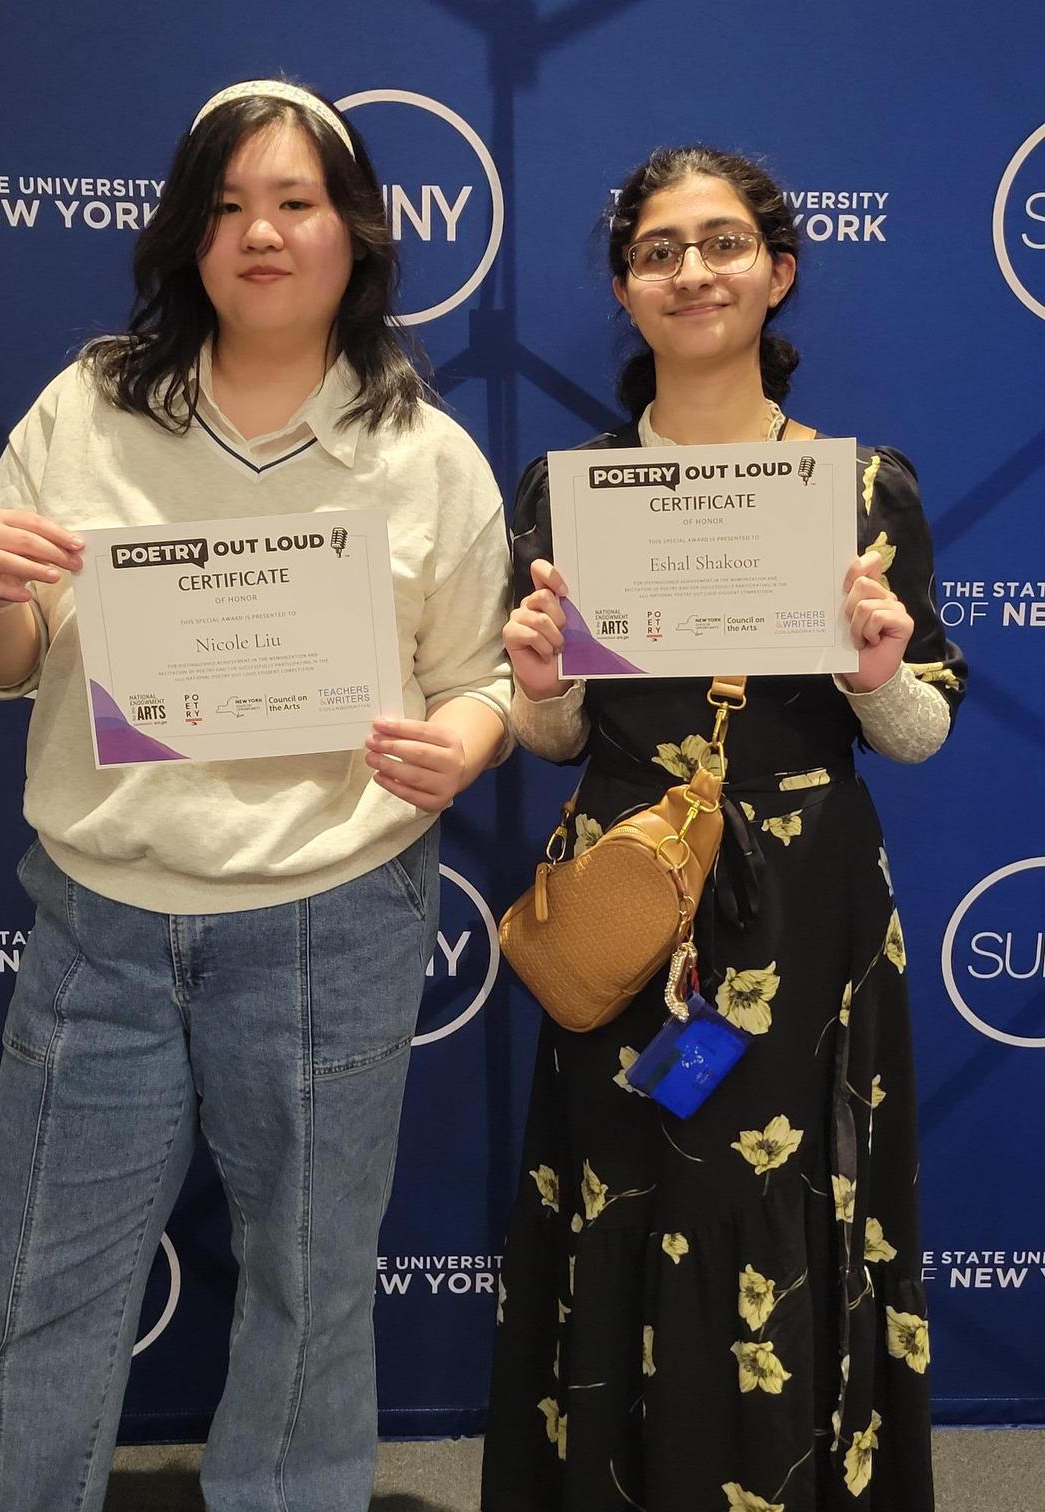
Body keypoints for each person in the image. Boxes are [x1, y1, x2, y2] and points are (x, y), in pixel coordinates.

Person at [0, 79, 511, 1512]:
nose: (261, 234)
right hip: (106, 925)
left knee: (309, 1300)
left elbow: (484, 676)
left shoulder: (425, 454)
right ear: (188, 234)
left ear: (355, 233)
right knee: (27, 1289)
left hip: (335, 918)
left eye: (294, 203)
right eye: (230, 206)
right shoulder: (91, 408)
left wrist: (471, 743)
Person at [482, 145, 964, 1512]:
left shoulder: (865, 491)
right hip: (634, 908)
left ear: (776, 272)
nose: (690, 272)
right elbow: (555, 741)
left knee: (784, 1201)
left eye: (720, 243)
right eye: (656, 251)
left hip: (805, 919)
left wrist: (874, 673)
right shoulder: (561, 497)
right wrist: (535, 687)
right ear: (626, 291)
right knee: (631, 1184)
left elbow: (923, 729)